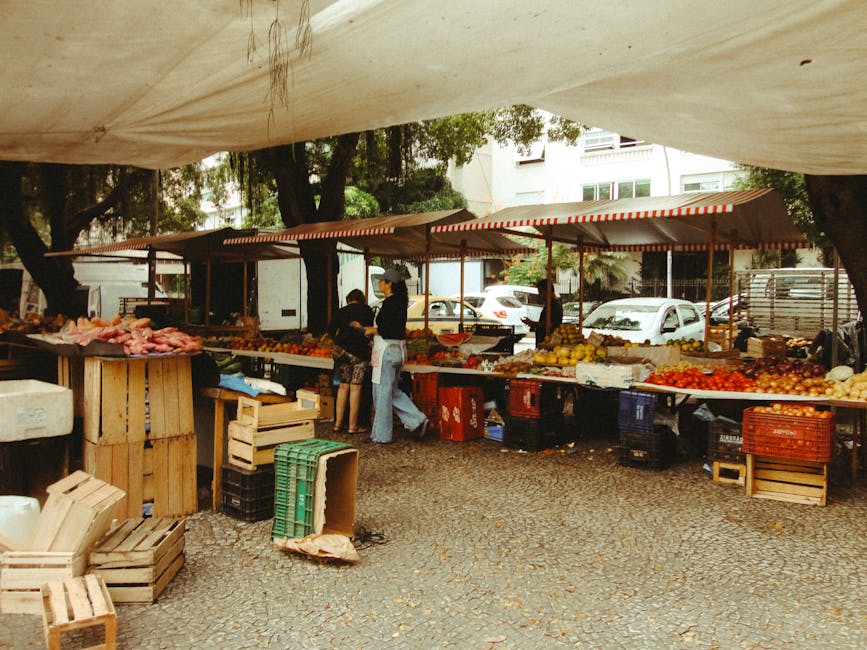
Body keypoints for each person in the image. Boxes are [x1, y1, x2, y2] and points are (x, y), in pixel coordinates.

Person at [352, 268, 428, 444]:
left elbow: (386, 329)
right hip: (398, 350)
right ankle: (417, 419)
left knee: (381, 394)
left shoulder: (389, 303)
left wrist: (370, 330)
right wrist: (368, 329)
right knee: (392, 392)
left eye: (381, 281)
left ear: (389, 284)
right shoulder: (400, 302)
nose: (379, 283)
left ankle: (381, 435)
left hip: (386, 351)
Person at [326, 288, 375, 434]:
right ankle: (352, 427)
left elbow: (330, 330)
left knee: (342, 387)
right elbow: (369, 331)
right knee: (355, 388)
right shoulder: (367, 311)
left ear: (349, 300)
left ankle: (338, 424)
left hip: (341, 351)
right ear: (362, 299)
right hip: (358, 352)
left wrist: (338, 340)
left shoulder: (341, 311)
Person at [522, 278, 563, 342]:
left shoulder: (554, 305)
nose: (539, 295)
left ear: (547, 292)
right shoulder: (550, 304)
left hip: (548, 341)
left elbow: (549, 324)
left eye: (540, 292)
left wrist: (532, 323)